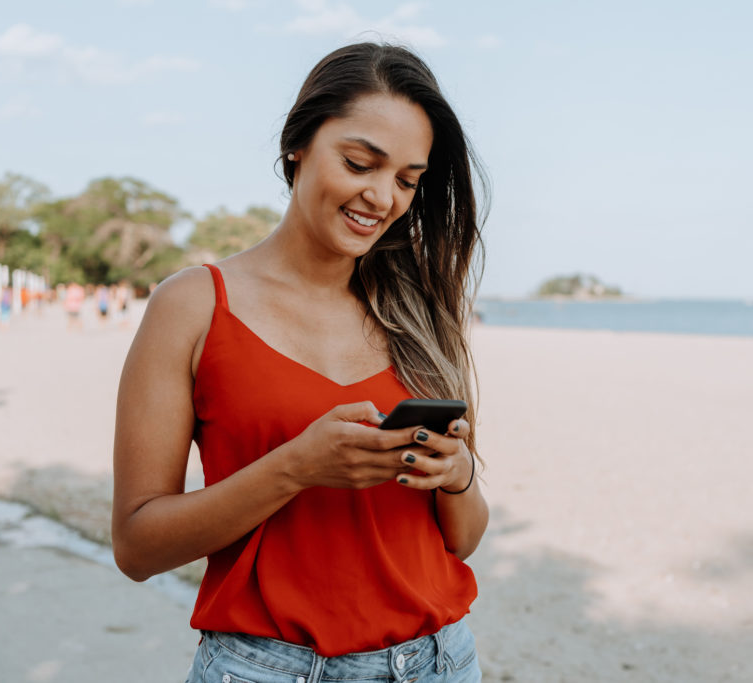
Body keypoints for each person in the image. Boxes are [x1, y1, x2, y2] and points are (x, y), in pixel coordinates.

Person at [112, 42, 489, 683]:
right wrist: (294, 468)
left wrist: (456, 474)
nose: (381, 197)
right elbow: (138, 545)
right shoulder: (193, 306)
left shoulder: (418, 311)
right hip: (267, 669)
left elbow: (464, 538)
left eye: (406, 180)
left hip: (440, 661)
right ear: (298, 144)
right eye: (359, 162)